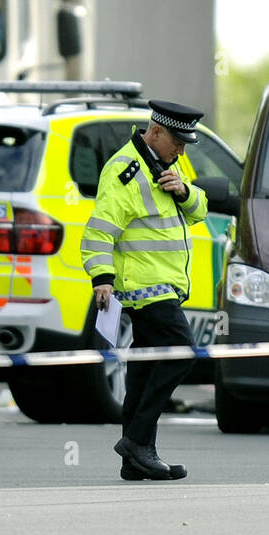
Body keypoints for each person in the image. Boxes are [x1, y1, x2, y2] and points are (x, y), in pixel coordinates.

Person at [82, 100, 208, 481]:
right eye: (178, 143)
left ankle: (135, 458)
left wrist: (185, 191)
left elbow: (199, 208)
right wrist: (102, 278)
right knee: (182, 353)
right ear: (155, 133)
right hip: (145, 287)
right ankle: (137, 441)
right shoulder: (125, 170)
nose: (182, 152)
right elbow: (99, 231)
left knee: (145, 366)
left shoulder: (170, 163)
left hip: (164, 285)